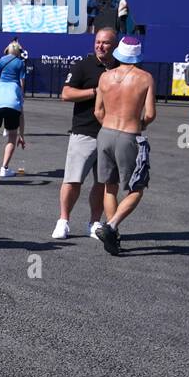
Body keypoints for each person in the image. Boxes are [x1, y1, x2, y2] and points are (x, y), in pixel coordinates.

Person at [51, 28, 117, 240]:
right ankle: (63, 221)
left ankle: (94, 223)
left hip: (111, 133)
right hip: (84, 131)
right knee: (73, 180)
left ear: (114, 45)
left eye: (105, 43)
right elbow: (66, 93)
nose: (100, 46)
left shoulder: (121, 68)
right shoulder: (84, 65)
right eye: (98, 42)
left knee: (102, 182)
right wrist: (96, 91)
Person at [93, 36, 155, 255]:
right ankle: (111, 226)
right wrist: (139, 125)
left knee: (109, 186)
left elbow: (98, 111)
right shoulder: (145, 78)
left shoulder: (104, 76)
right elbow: (150, 114)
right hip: (129, 135)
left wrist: (109, 127)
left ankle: (113, 235)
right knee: (137, 187)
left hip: (105, 133)